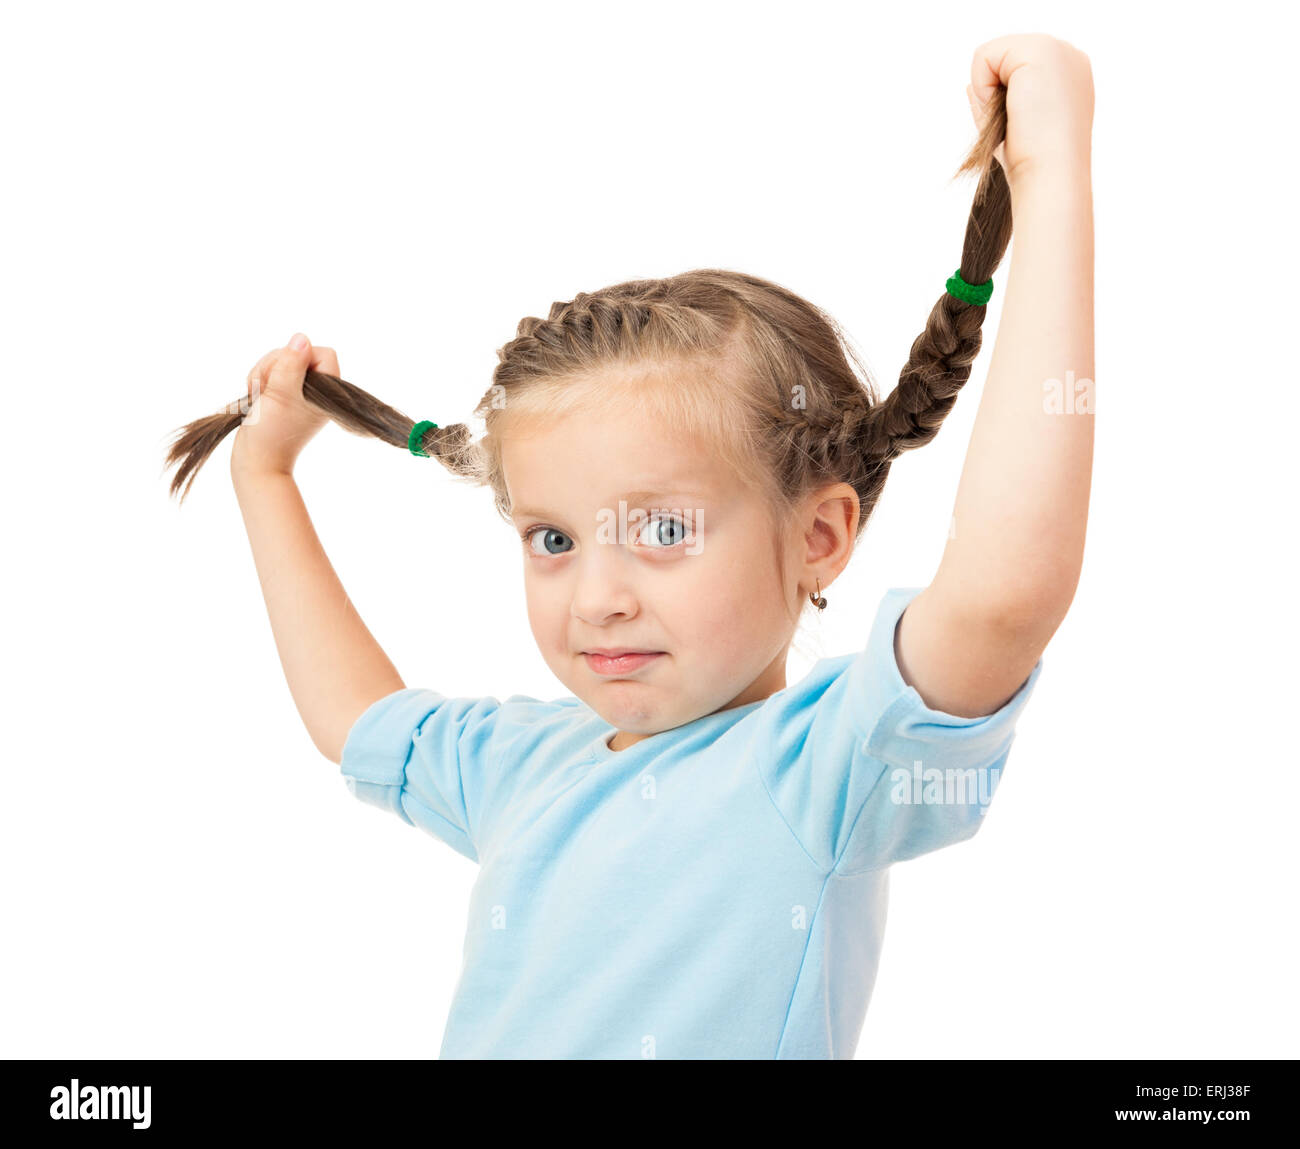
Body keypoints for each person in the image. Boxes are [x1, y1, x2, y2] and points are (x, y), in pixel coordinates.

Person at [164, 33, 1094, 1058]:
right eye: (553, 538)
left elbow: (1003, 592)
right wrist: (267, 477)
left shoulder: (822, 770)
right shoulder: (523, 763)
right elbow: (358, 720)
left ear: (819, 537)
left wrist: (1047, 180)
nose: (596, 596)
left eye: (662, 530)